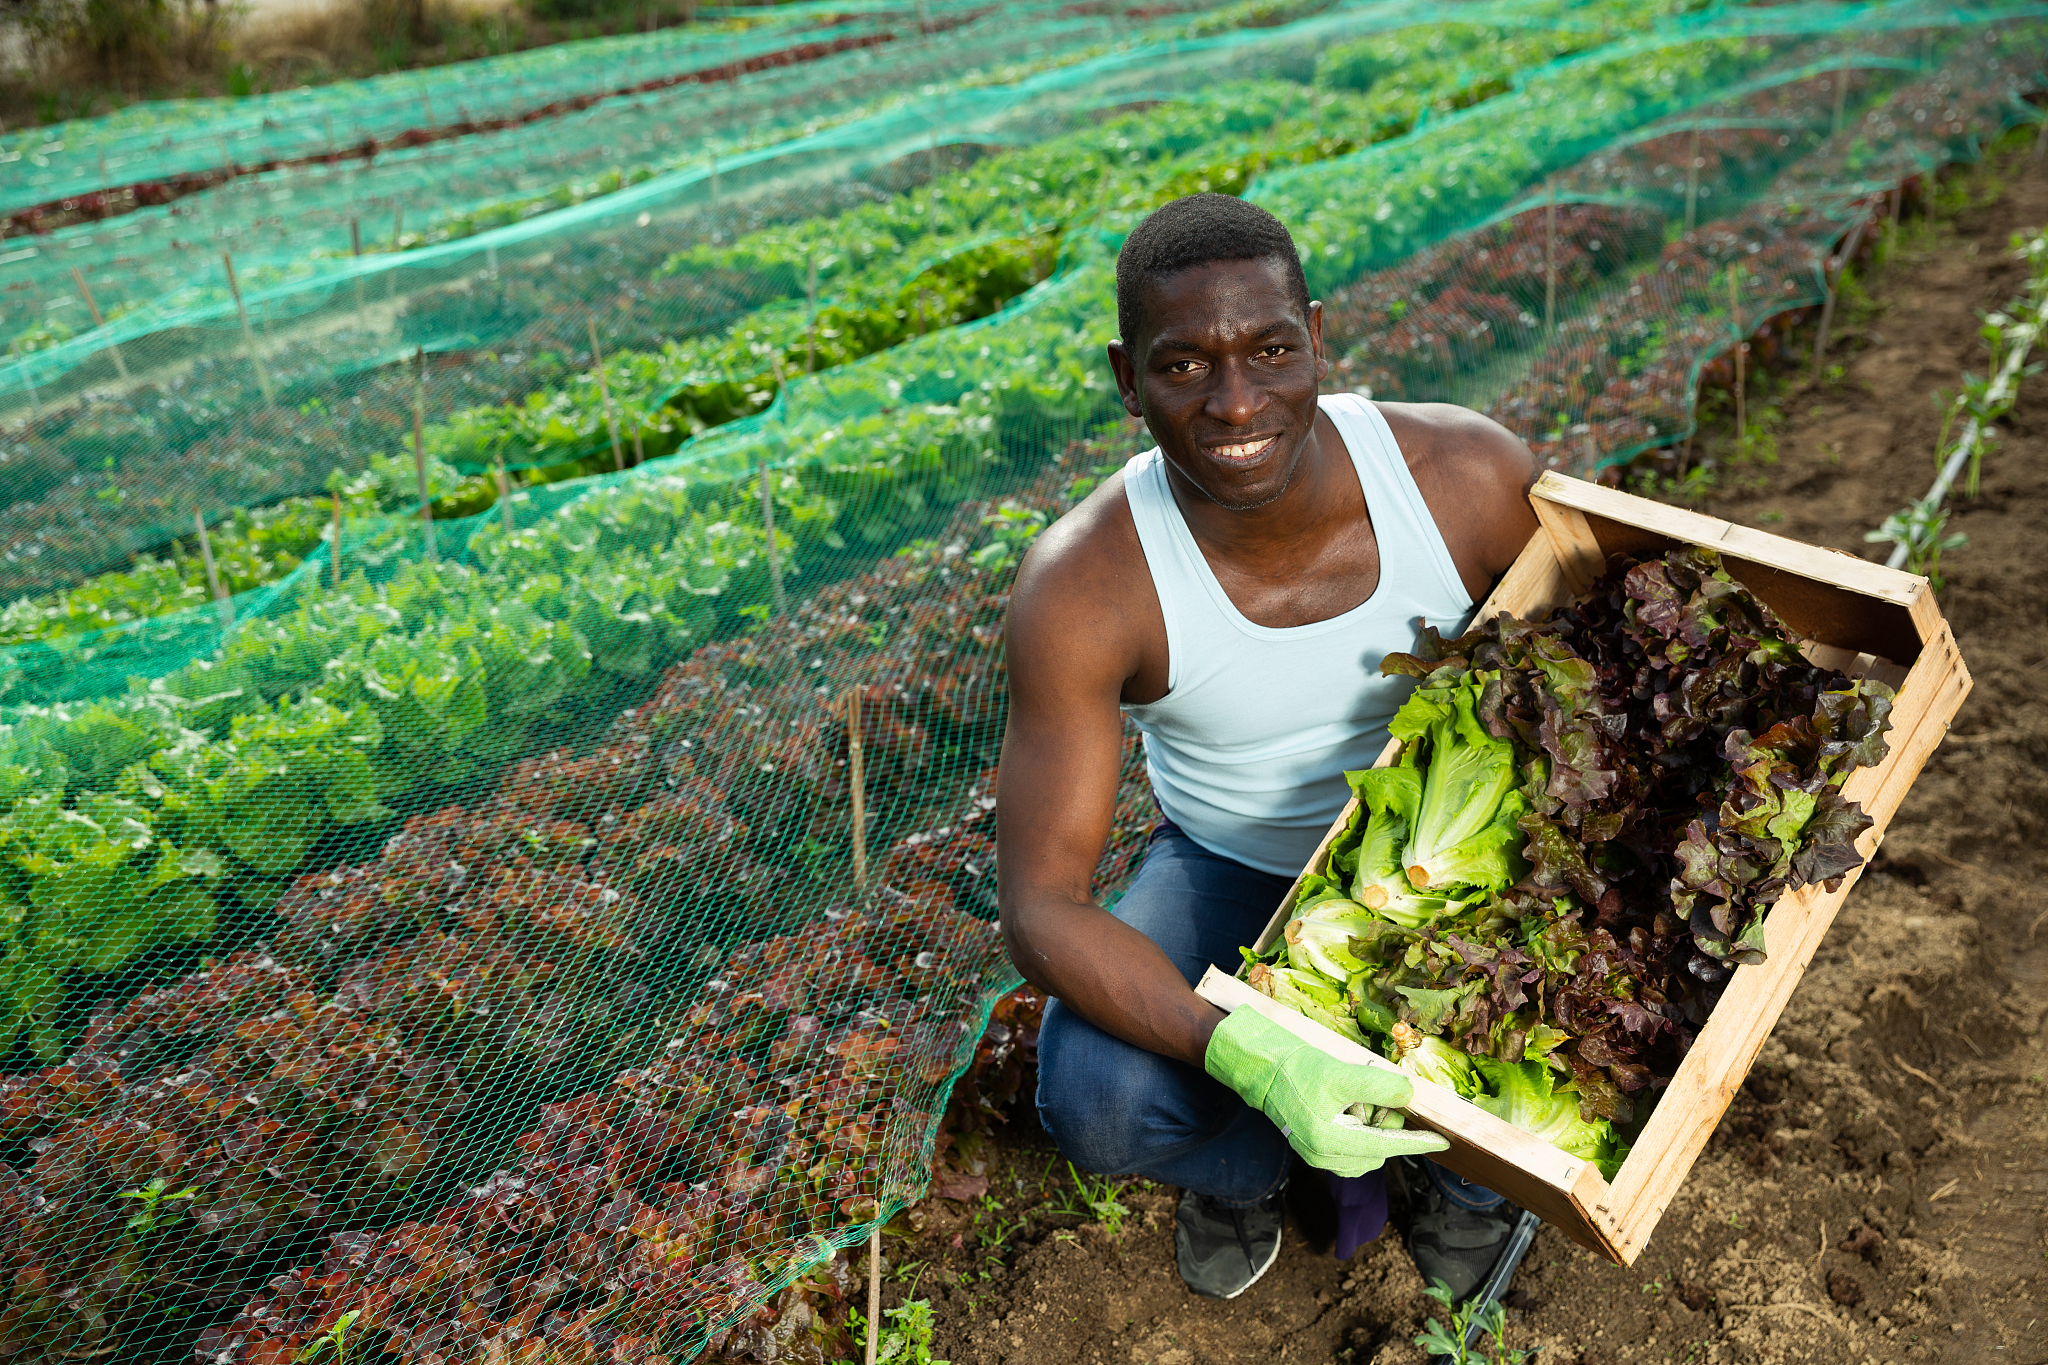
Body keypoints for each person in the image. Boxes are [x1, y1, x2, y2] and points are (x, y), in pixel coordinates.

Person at [994, 193, 1542, 1302]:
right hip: (1234, 865)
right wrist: (1244, 1052)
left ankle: (1465, 1180)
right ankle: (1247, 1165)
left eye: (1268, 350)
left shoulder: (1463, 478)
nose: (1235, 400)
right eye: (1183, 366)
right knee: (1095, 1098)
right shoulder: (1086, 583)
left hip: (1459, 857)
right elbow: (1040, 908)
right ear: (1125, 379)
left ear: (1318, 340)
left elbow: (1584, 692)